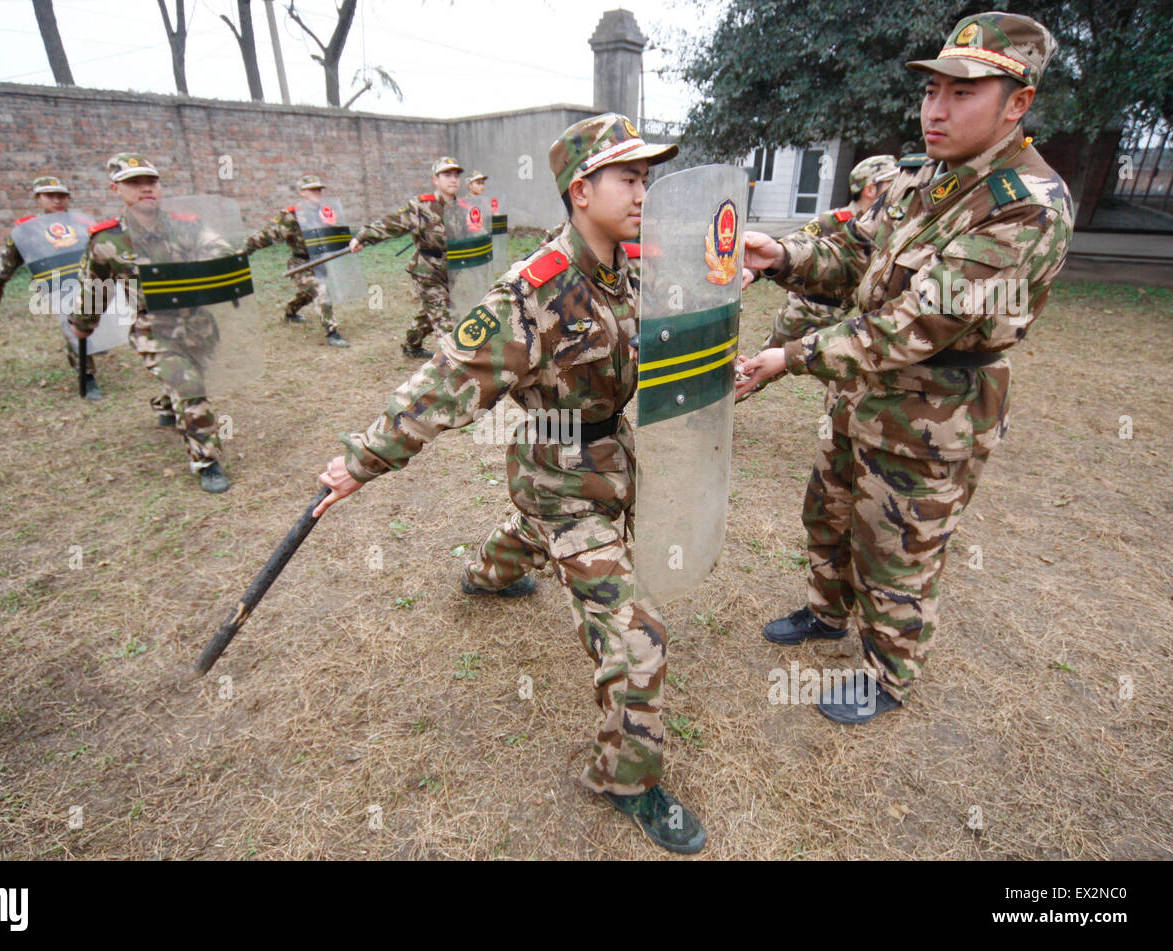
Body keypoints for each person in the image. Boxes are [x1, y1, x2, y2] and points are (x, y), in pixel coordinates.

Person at [315, 114, 707, 853]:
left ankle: (489, 573)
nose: (643, 192)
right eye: (629, 178)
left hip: (607, 461)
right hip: (560, 477)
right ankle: (626, 779)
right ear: (581, 190)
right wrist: (360, 460)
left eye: (646, 178)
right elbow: (444, 385)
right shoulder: (532, 292)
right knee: (638, 641)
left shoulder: (625, 267)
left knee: (526, 532)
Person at [736, 11, 1074, 723]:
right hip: (864, 392)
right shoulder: (920, 180)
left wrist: (791, 356)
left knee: (898, 548)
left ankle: (887, 674)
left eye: (962, 93)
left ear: (1018, 104)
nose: (936, 110)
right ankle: (827, 612)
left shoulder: (1026, 208)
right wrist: (785, 257)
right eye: (931, 91)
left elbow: (914, 323)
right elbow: (857, 253)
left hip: (936, 410)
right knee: (828, 510)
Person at [71, 153, 237, 494]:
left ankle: (165, 403)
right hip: (154, 329)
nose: (145, 188)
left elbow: (219, 248)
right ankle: (206, 461)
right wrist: (84, 324)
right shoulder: (106, 240)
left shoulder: (186, 224)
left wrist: (214, 259)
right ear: (115, 188)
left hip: (197, 324)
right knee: (190, 388)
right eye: (134, 182)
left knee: (187, 379)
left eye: (152, 181)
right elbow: (95, 288)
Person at [0, 175, 103, 399]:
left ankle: (97, 343)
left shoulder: (84, 224)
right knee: (73, 328)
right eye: (50, 196)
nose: (57, 201)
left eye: (62, 196)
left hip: (90, 281)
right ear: (38, 198)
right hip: (58, 284)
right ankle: (86, 376)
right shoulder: (28, 230)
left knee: (97, 320)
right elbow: (9, 260)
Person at [764, 155, 897, 350]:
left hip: (839, 317)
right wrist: (755, 271)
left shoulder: (886, 227)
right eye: (892, 184)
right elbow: (794, 245)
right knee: (766, 364)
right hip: (804, 313)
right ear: (870, 189)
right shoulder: (835, 220)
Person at [347, 157, 462, 358]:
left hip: (454, 269)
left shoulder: (464, 208)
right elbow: (391, 224)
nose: (453, 179)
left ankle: (411, 345)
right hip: (427, 270)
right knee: (445, 318)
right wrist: (363, 236)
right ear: (435, 180)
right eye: (446, 175)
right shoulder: (421, 206)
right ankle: (455, 362)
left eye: (456, 175)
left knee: (431, 310)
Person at [244, 174, 350, 348]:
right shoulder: (292, 216)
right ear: (302, 193)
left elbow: (335, 236)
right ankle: (332, 333)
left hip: (319, 262)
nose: (317, 193)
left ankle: (290, 312)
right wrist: (246, 249)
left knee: (308, 294)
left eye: (319, 189)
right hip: (300, 264)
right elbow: (267, 235)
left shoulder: (325, 212)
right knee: (320, 289)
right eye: (312, 190)